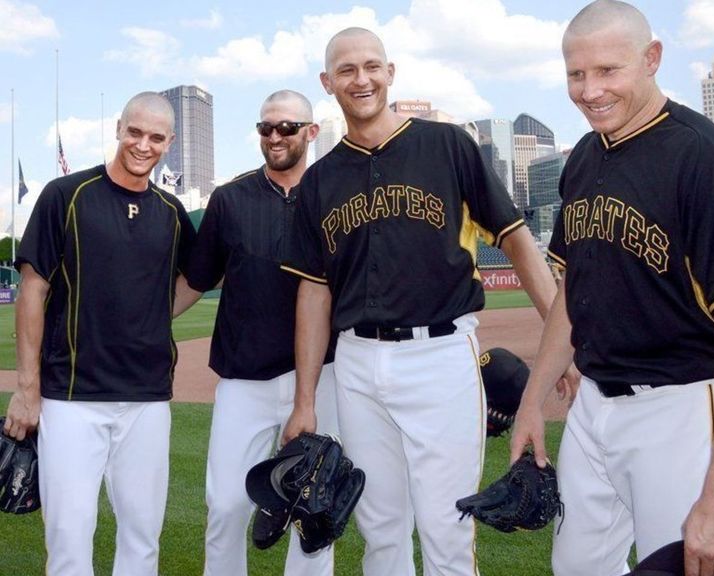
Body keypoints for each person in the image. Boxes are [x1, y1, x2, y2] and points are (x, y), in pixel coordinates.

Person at [281, 27, 574, 576]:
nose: (361, 78)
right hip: (357, 365)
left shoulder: (447, 146)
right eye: (346, 70)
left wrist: (565, 343)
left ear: (391, 73)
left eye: (372, 66)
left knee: (446, 529)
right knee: (379, 529)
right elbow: (314, 290)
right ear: (328, 83)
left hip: (439, 358)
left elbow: (515, 238)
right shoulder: (320, 181)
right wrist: (304, 401)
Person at [510, 2, 714, 576]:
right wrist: (533, 399)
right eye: (577, 74)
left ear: (651, 59)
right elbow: (572, 296)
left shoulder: (704, 156)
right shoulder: (581, 158)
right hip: (593, 407)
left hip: (676, 407)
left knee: (687, 565)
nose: (589, 89)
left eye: (608, 70)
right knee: (575, 567)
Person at [4, 91, 196, 576]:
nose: (143, 145)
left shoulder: (172, 212)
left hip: (147, 398)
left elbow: (197, 277)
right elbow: (32, 290)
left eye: (156, 137)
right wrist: (27, 388)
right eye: (135, 132)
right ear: (118, 128)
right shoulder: (66, 195)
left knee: (142, 535)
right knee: (68, 536)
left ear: (169, 143)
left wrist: (154, 317)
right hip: (72, 396)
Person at [173, 90, 339, 576]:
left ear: (310, 132)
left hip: (324, 375)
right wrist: (137, 324)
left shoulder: (334, 194)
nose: (274, 136)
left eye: (286, 127)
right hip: (244, 379)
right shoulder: (229, 198)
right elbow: (196, 280)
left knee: (314, 506)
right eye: (266, 127)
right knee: (225, 505)